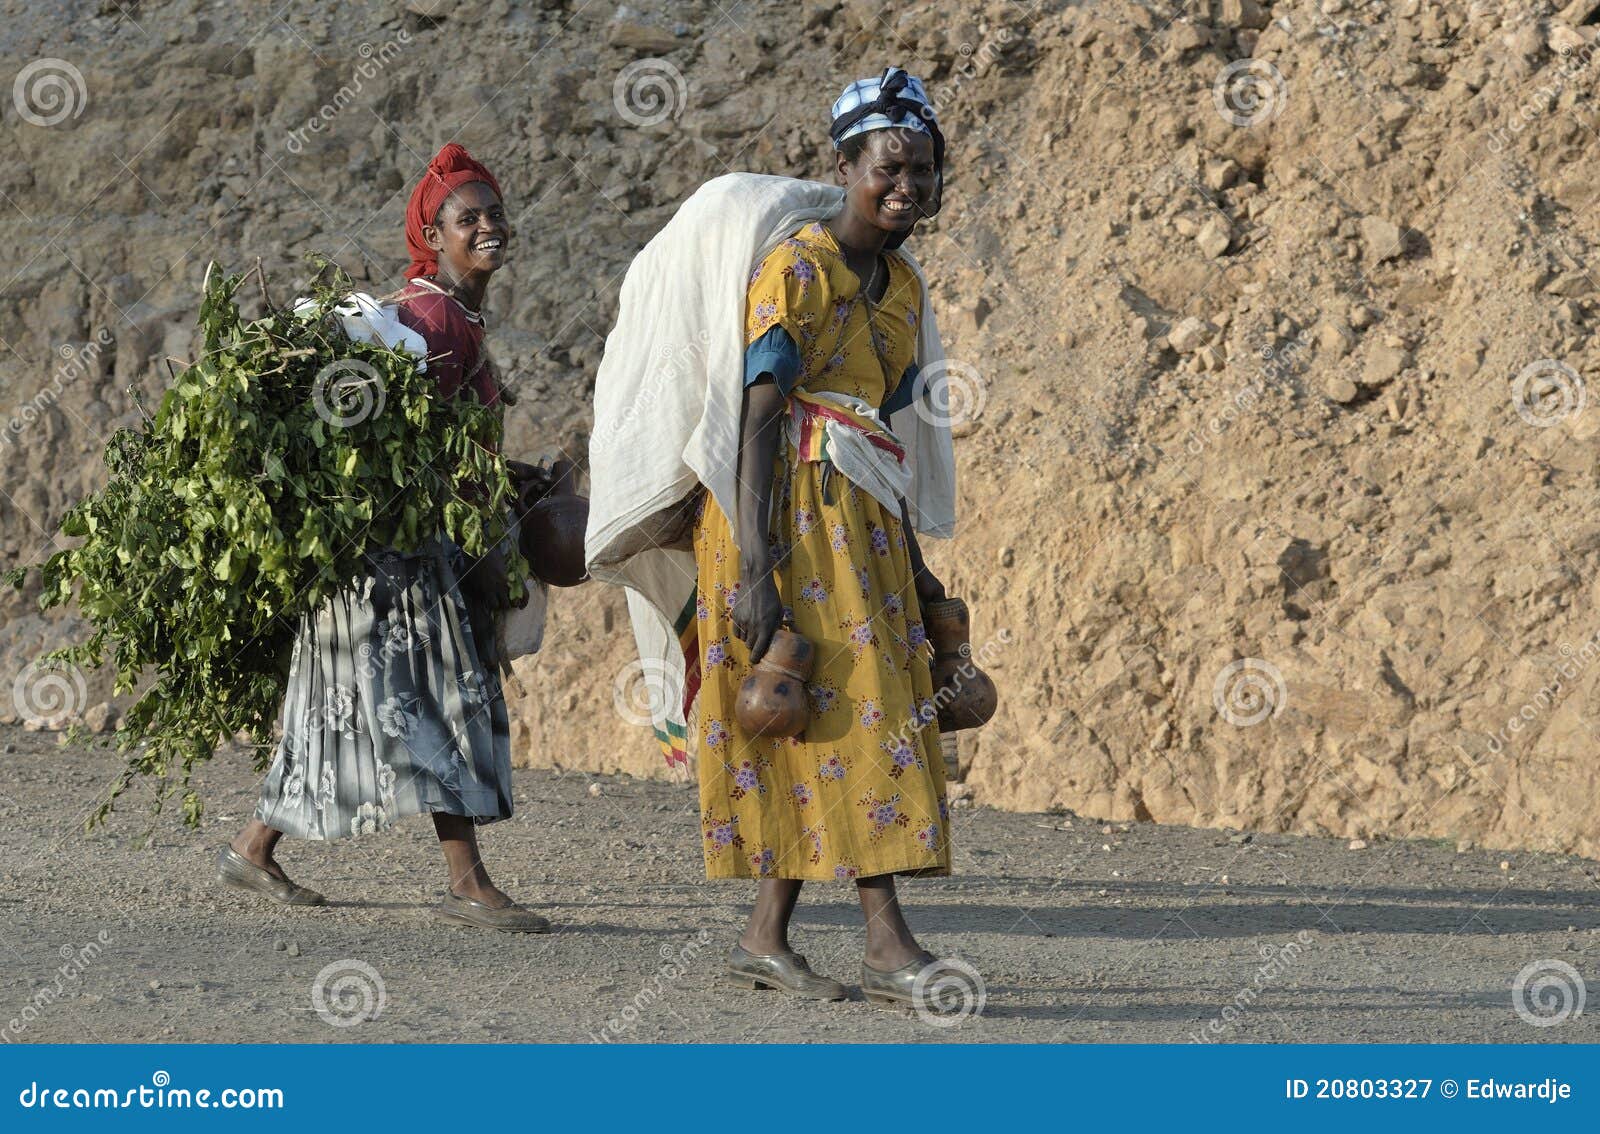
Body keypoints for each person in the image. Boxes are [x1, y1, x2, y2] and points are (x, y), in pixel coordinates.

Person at [218, 143, 550, 933]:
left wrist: (515, 478)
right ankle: (466, 882)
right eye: (467, 219)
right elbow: (420, 452)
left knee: (334, 711)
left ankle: (252, 848)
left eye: (494, 213)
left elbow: (453, 442)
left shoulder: (454, 316)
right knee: (440, 702)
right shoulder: (433, 319)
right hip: (394, 559)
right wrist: (486, 501)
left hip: (390, 555)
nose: (488, 227)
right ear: (432, 237)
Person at [696, 67, 954, 1004]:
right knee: (856, 706)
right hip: (785, 513)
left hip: (862, 520)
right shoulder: (796, 270)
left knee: (811, 716)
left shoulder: (903, 288)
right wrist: (759, 570)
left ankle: (766, 936)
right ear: (844, 165)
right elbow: (763, 418)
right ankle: (886, 941)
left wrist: (917, 564)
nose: (907, 187)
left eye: (923, 171)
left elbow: (880, 432)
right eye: (890, 166)